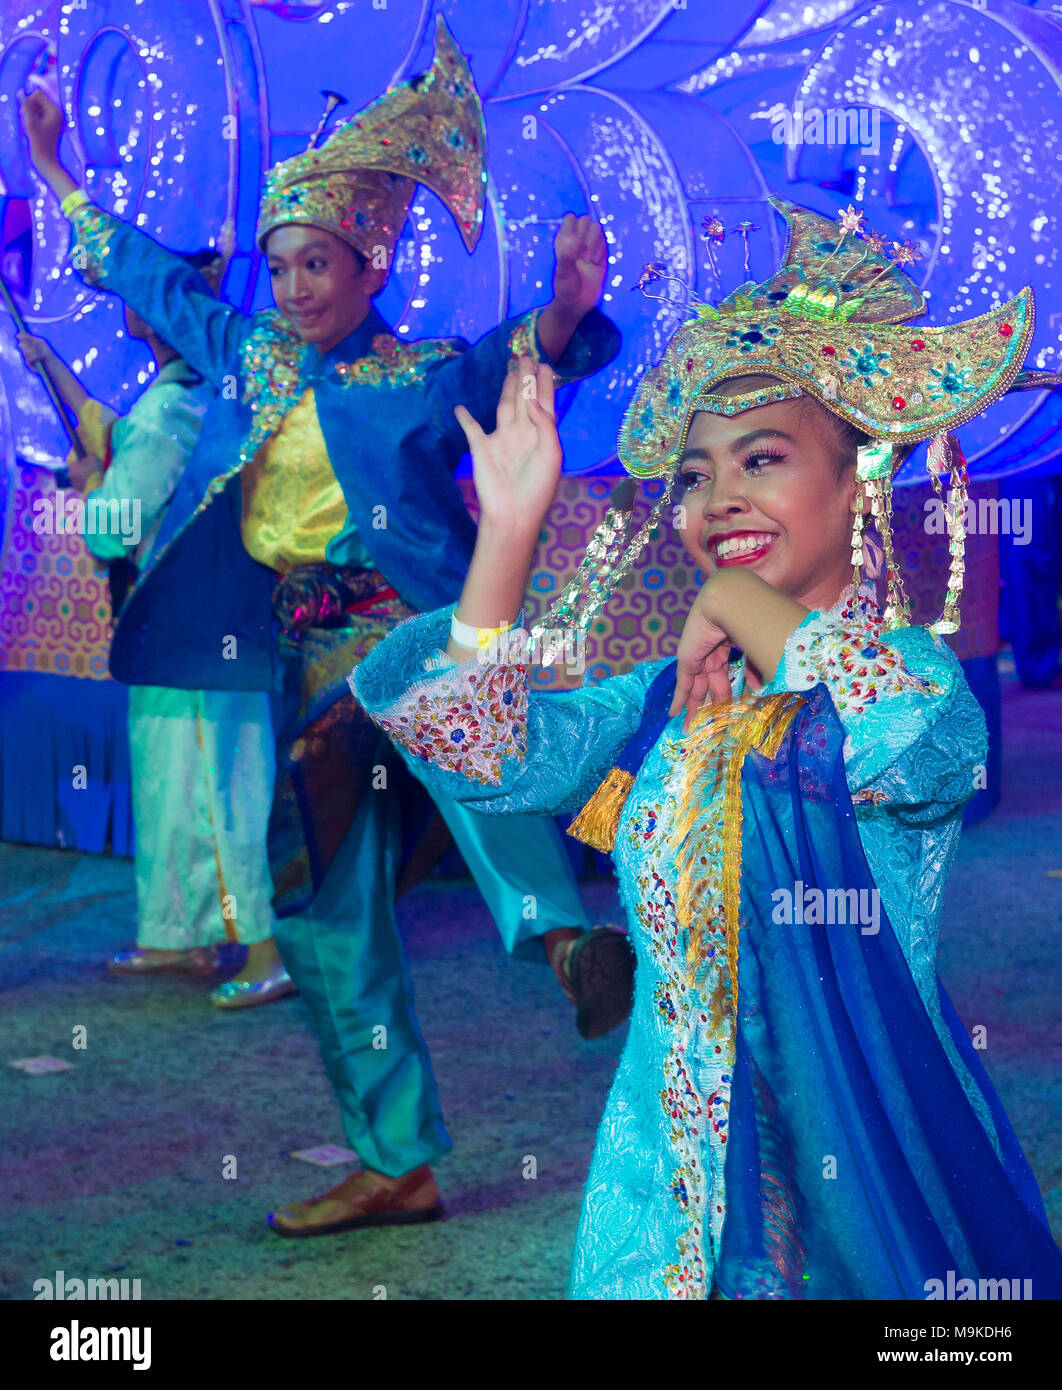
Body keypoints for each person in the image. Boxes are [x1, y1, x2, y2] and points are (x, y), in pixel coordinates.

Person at [353, 198, 1062, 1297]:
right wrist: (503, 536)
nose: (716, 498)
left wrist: (734, 593)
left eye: (762, 459)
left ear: (856, 482)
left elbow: (899, 747)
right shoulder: (666, 705)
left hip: (857, 1199)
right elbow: (476, 751)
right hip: (661, 1203)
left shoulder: (913, 684)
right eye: (693, 475)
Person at [20, 17, 630, 1232]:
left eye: (320, 267)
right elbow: (150, 279)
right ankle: (395, 1157)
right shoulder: (249, 359)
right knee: (319, 908)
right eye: (283, 265)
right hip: (300, 655)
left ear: (369, 274)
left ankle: (563, 937)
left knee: (451, 737)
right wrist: (58, 178)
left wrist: (562, 312)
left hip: (413, 633)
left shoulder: (413, 374)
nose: (296, 287)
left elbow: (524, 356)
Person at [20, 259, 291, 1003]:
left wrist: (88, 491)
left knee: (216, 784)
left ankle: (264, 948)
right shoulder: (202, 395)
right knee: (182, 782)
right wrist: (58, 367)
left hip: (187, 631)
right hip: (205, 625)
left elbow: (116, 527)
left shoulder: (168, 413)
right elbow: (113, 429)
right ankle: (180, 935)